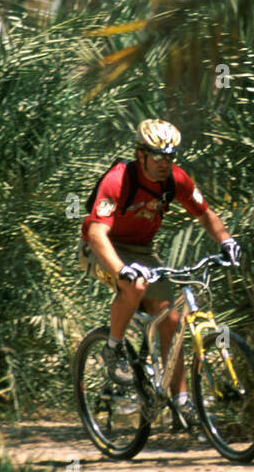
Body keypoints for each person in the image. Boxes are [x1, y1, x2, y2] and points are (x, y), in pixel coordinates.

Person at [78, 119, 240, 431]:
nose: (165, 163)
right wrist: (121, 270)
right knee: (136, 286)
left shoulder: (174, 180)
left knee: (170, 320)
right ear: (141, 155)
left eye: (170, 157)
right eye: (157, 156)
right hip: (101, 247)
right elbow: (97, 233)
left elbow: (204, 213)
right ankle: (112, 349)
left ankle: (181, 402)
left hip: (140, 250)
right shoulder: (118, 180)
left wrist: (227, 241)